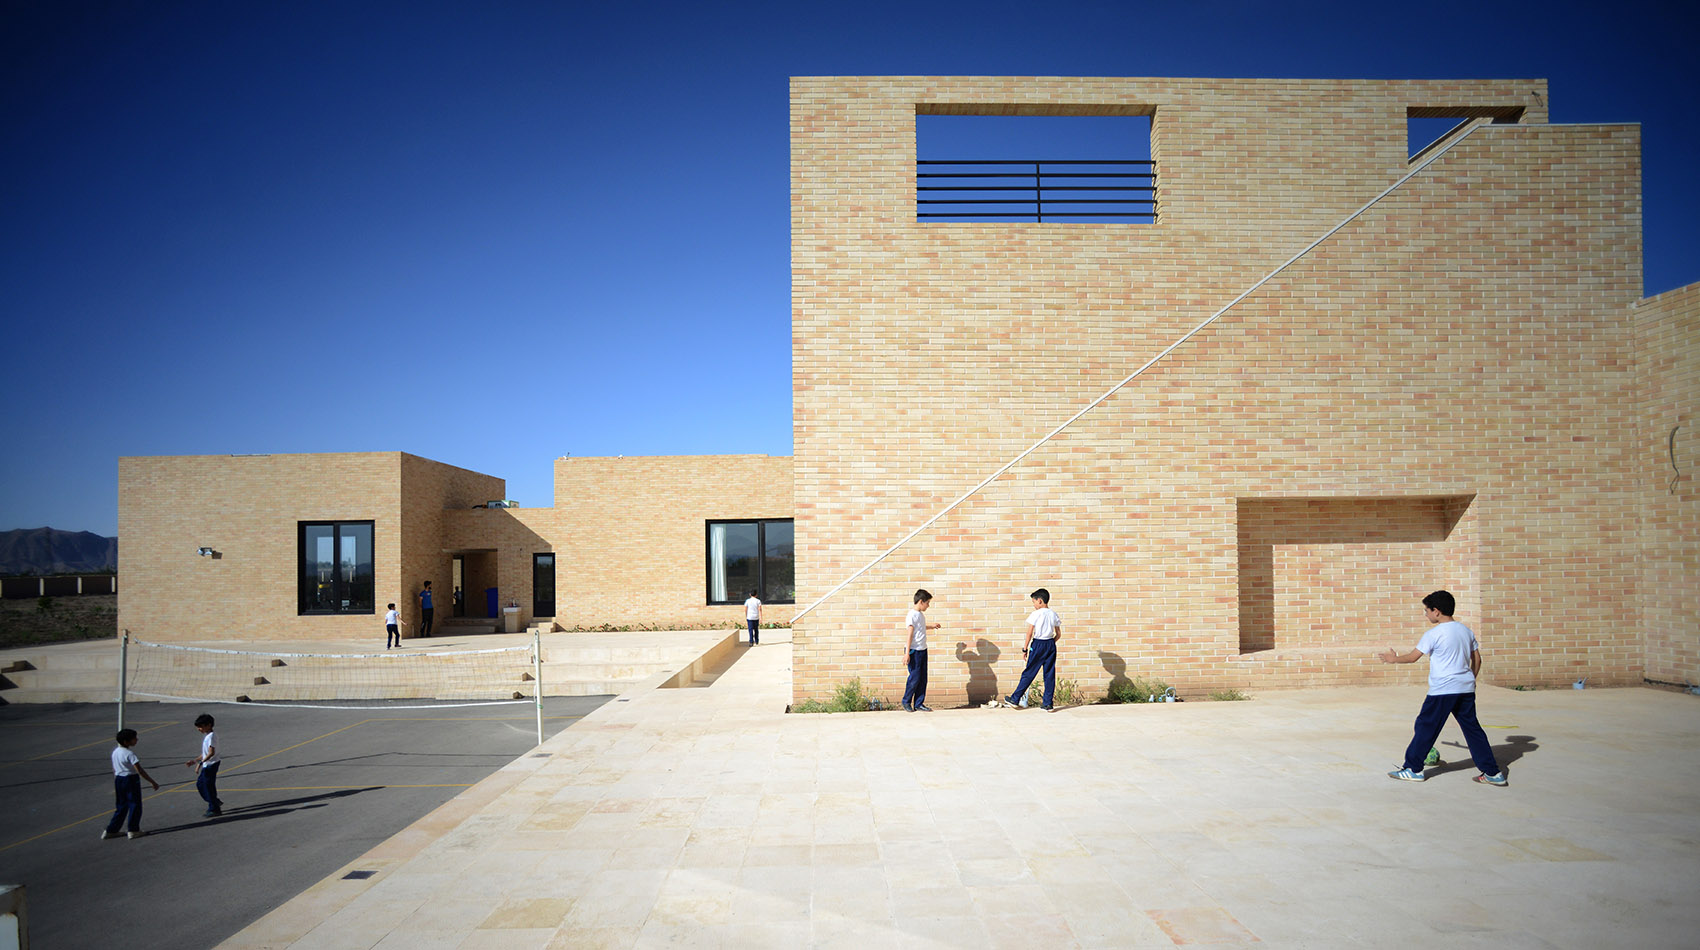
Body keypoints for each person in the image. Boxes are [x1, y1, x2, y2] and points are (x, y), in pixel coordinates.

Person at [1379, 590, 1508, 786]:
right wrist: (1469, 679)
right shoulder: (1466, 631)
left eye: (1427, 610)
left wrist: (1393, 659)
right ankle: (1492, 773)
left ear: (1436, 611)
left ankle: (1413, 769)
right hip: (1465, 689)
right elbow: (1478, 659)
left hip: (1443, 691)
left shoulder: (1433, 634)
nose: (1426, 614)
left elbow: (1413, 657)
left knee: (1425, 726)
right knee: (1473, 729)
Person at [993, 588, 1062, 711]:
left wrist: (1025, 649)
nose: (1034, 605)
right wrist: (1051, 643)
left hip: (1038, 644)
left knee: (1029, 672)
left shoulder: (1036, 614)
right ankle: (1048, 704)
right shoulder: (1053, 614)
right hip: (1050, 644)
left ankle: (1015, 699)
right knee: (1049, 674)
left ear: (1040, 601)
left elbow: (1029, 633)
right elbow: (1058, 634)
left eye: (1034, 602)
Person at [101, 729, 159, 840]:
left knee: (121, 806)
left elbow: (114, 768)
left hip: (119, 779)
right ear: (126, 741)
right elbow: (139, 770)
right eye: (134, 738)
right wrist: (152, 782)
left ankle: (111, 830)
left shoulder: (116, 752)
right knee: (135, 804)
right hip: (130, 779)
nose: (136, 740)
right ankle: (133, 829)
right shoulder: (129, 754)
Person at [901, 589, 941, 712]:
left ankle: (919, 703)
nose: (928, 606)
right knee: (914, 677)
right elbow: (910, 634)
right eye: (927, 603)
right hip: (914, 651)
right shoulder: (912, 615)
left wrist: (932, 626)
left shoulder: (920, 615)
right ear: (921, 602)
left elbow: (920, 628)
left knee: (923, 678)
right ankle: (906, 701)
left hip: (923, 649)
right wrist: (907, 653)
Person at [186, 713, 224, 817]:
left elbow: (211, 753)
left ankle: (214, 808)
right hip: (208, 764)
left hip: (211, 765)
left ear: (209, 725)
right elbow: (205, 753)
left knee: (208, 786)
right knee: (201, 784)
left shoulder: (211, 737)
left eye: (201, 727)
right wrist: (195, 760)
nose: (199, 729)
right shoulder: (207, 736)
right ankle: (214, 801)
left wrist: (201, 763)